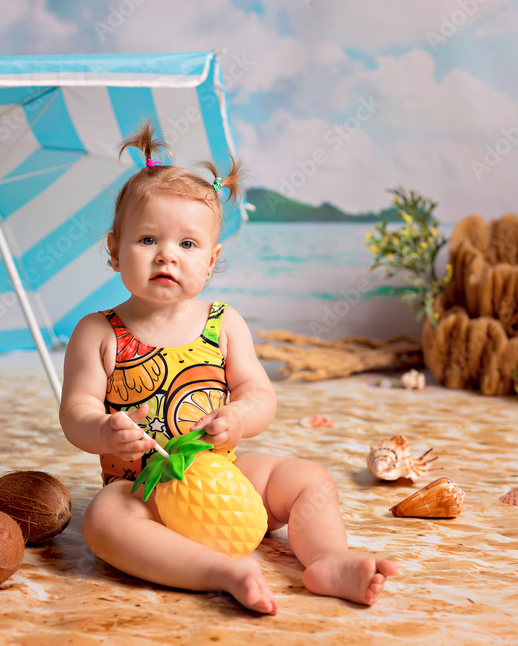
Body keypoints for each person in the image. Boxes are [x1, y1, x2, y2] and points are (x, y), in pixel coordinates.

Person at [59, 121, 396, 615]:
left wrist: (238, 416)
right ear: (114, 249)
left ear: (212, 259)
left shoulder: (224, 323)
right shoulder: (98, 331)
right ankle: (221, 572)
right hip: (145, 491)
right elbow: (75, 412)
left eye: (188, 245)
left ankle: (329, 559)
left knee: (309, 478)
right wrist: (103, 431)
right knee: (103, 520)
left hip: (226, 476)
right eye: (148, 239)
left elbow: (259, 394)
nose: (167, 255)